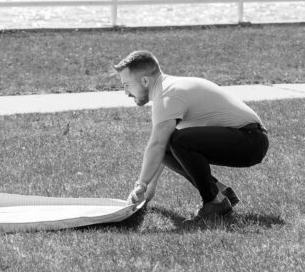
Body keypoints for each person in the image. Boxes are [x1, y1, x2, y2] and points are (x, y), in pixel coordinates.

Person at [113, 50, 268, 219]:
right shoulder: (167, 88)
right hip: (249, 138)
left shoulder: (168, 95)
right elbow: (161, 146)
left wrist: (140, 185)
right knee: (173, 141)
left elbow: (157, 143)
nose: (126, 93)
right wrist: (148, 190)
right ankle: (221, 193)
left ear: (144, 81)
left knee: (180, 141)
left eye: (127, 85)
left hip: (250, 140)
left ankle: (215, 202)